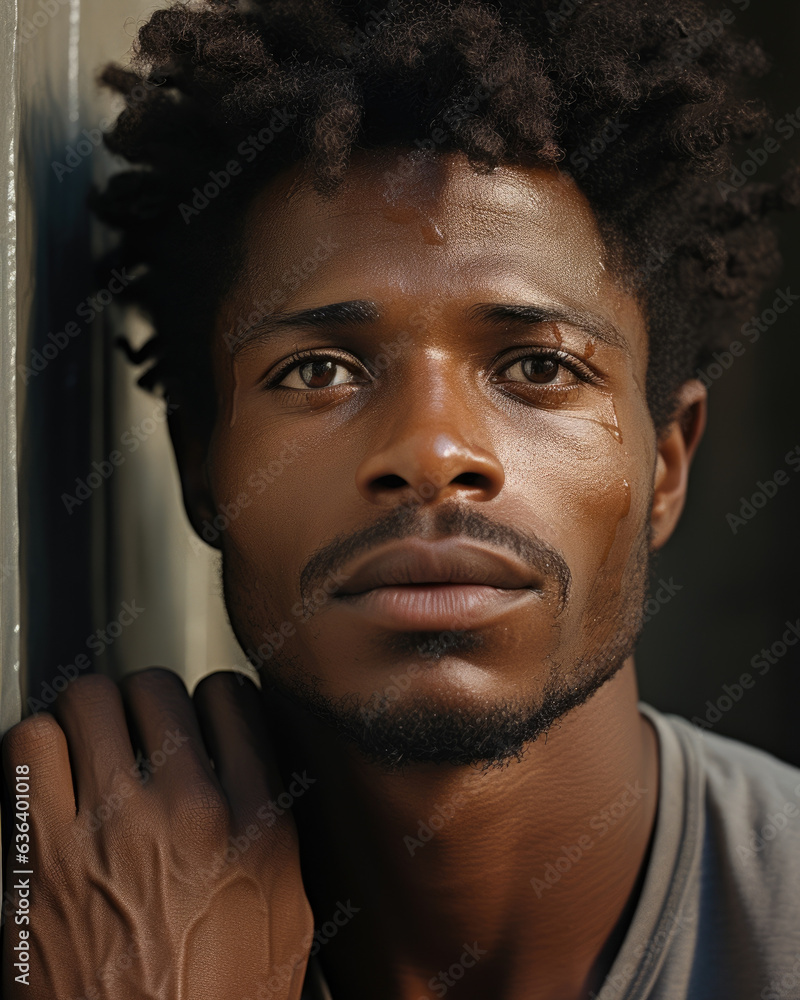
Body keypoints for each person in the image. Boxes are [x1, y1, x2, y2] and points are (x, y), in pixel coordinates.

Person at [3, 0, 800, 997]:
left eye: (538, 367)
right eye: (319, 371)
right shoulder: (55, 919)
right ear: (200, 467)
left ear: (667, 468)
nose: (432, 451)